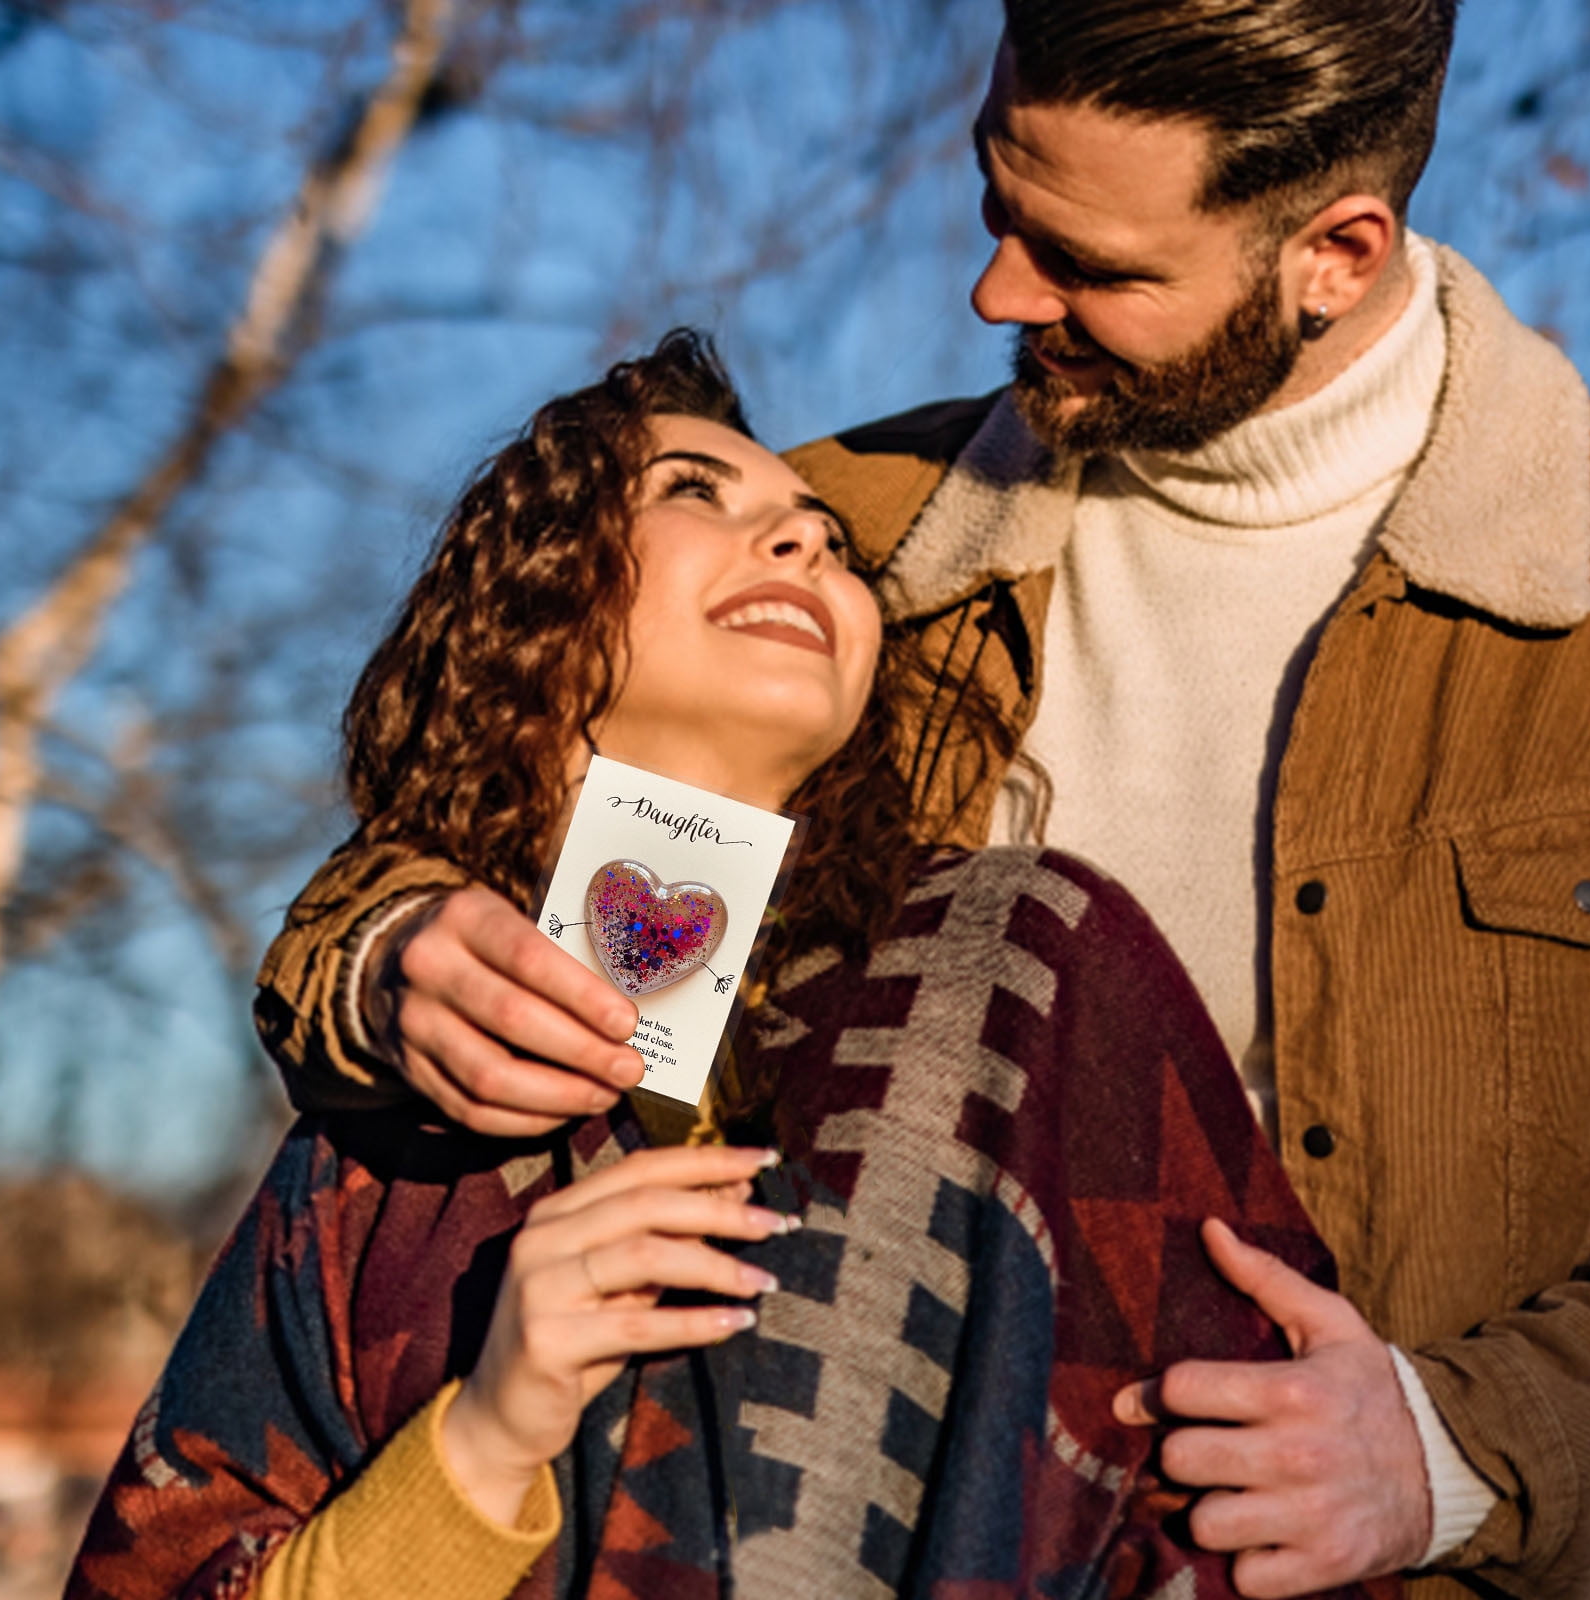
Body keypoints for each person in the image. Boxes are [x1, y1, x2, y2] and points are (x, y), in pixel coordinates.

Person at [244, 5, 1590, 1599]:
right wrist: (389, 952)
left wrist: (1461, 1448)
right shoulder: (845, 539)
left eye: (1088, 264)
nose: (999, 295)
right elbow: (473, 773)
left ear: (1337, 253)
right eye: (994, 205)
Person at [68, 334, 1381, 1599]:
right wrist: (482, 1442)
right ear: (534, 615)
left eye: (829, 535)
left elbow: (1247, 1508)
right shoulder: (385, 1140)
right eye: (694, 490)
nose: (806, 536)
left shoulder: (1045, 970)